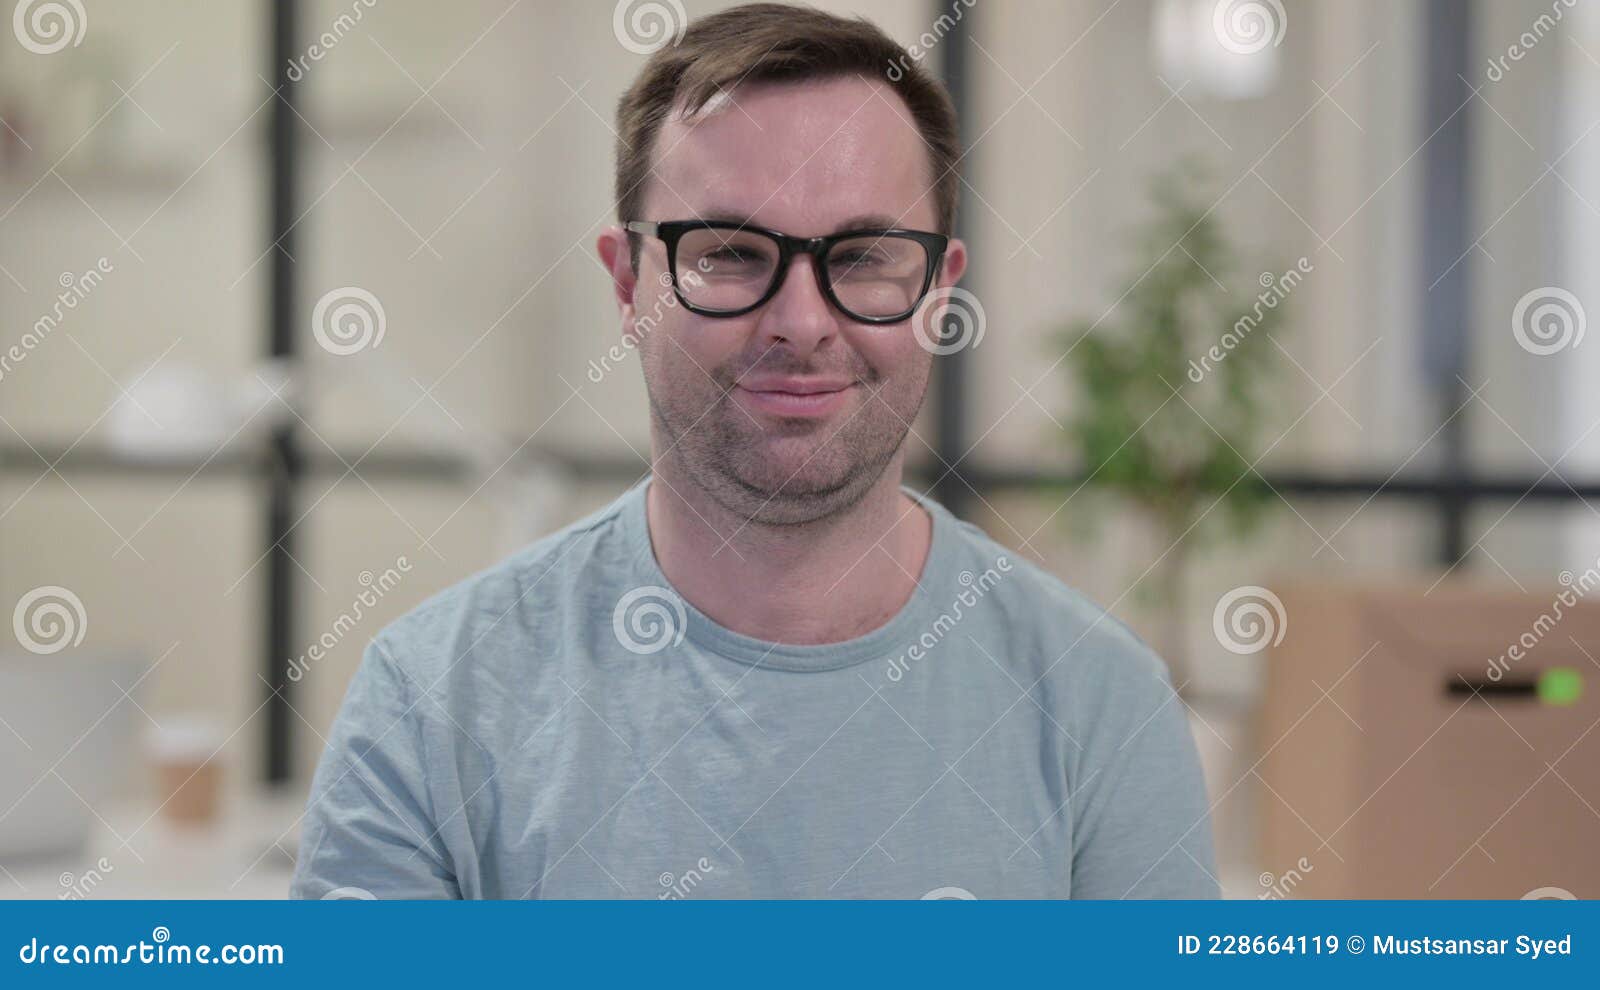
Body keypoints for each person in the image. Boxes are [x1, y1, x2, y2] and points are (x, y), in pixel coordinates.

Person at [292, 2, 1217, 900]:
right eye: (730, 252)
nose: (802, 323)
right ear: (628, 283)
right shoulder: (431, 703)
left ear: (939, 291)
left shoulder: (1100, 706)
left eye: (864, 256)